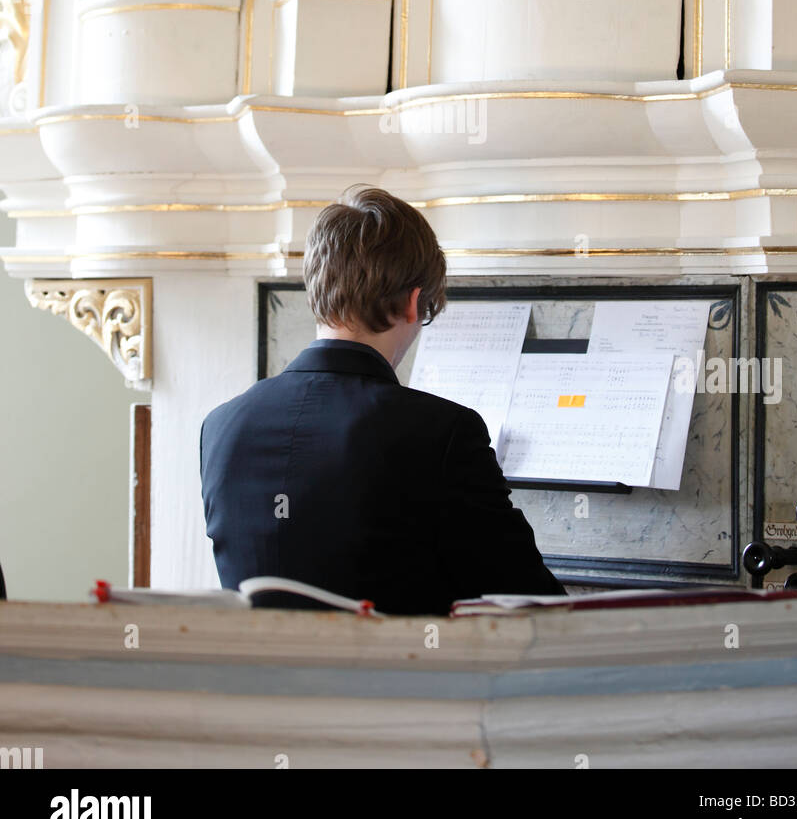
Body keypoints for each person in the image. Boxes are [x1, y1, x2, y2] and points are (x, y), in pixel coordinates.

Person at [200, 186, 565, 615]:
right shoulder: (443, 433)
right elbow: (534, 603)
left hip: (264, 678)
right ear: (414, 303)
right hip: (406, 679)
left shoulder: (221, 426)